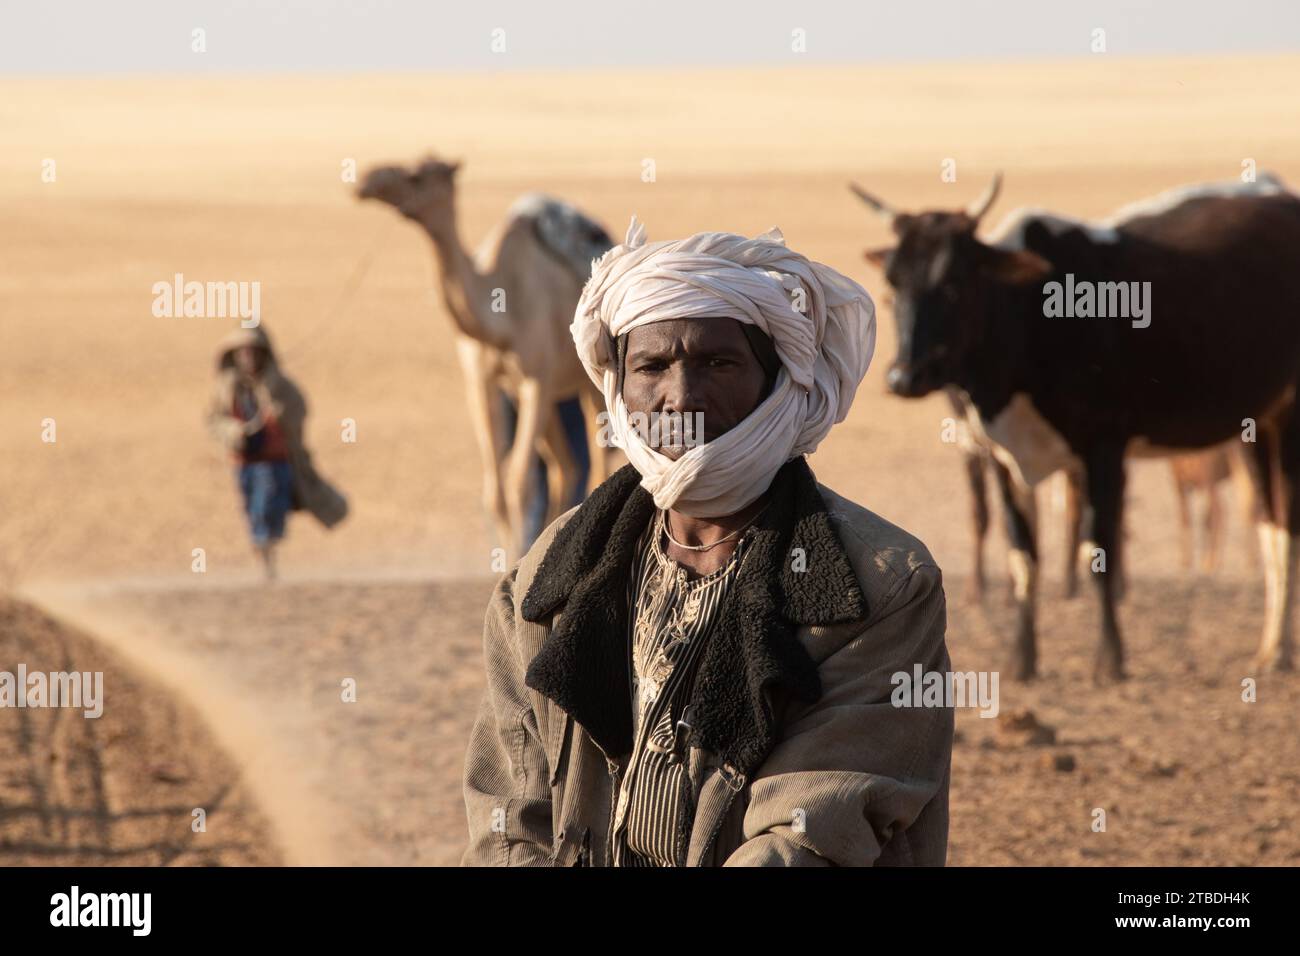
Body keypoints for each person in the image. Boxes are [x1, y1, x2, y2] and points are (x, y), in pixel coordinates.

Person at [460, 217, 952, 866]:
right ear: (616, 387)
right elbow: (509, 825)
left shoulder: (880, 588)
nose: (682, 397)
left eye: (718, 363)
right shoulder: (542, 585)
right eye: (652, 366)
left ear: (778, 382)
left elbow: (807, 832)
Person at [207, 326, 347, 579]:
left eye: (252, 352)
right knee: (252, 510)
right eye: (242, 353)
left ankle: (268, 562)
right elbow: (215, 419)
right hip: (245, 461)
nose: (247, 358)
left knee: (268, 506)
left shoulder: (278, 385)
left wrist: (276, 412)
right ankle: (264, 557)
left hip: (275, 461)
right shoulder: (229, 388)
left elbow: (298, 410)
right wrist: (236, 432)